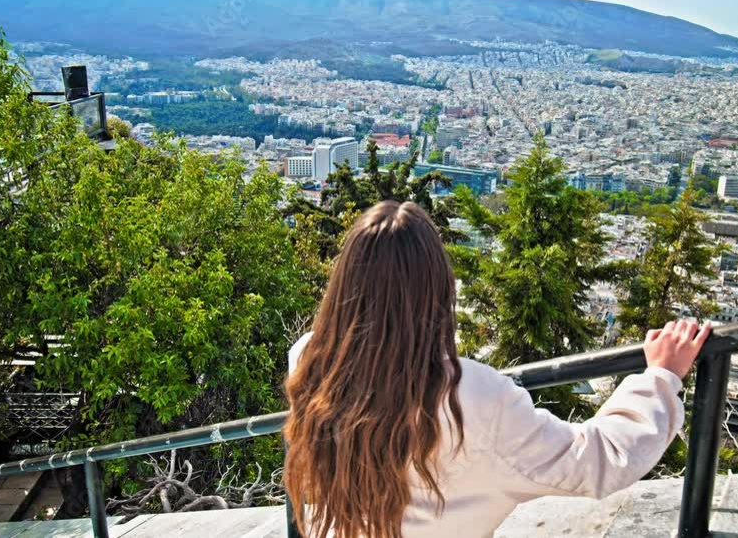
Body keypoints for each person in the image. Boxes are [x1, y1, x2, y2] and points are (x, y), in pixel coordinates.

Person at [283, 201, 712, 538]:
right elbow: (598, 461)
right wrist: (660, 378)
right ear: (438, 290)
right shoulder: (475, 398)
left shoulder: (310, 362)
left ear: (344, 284)